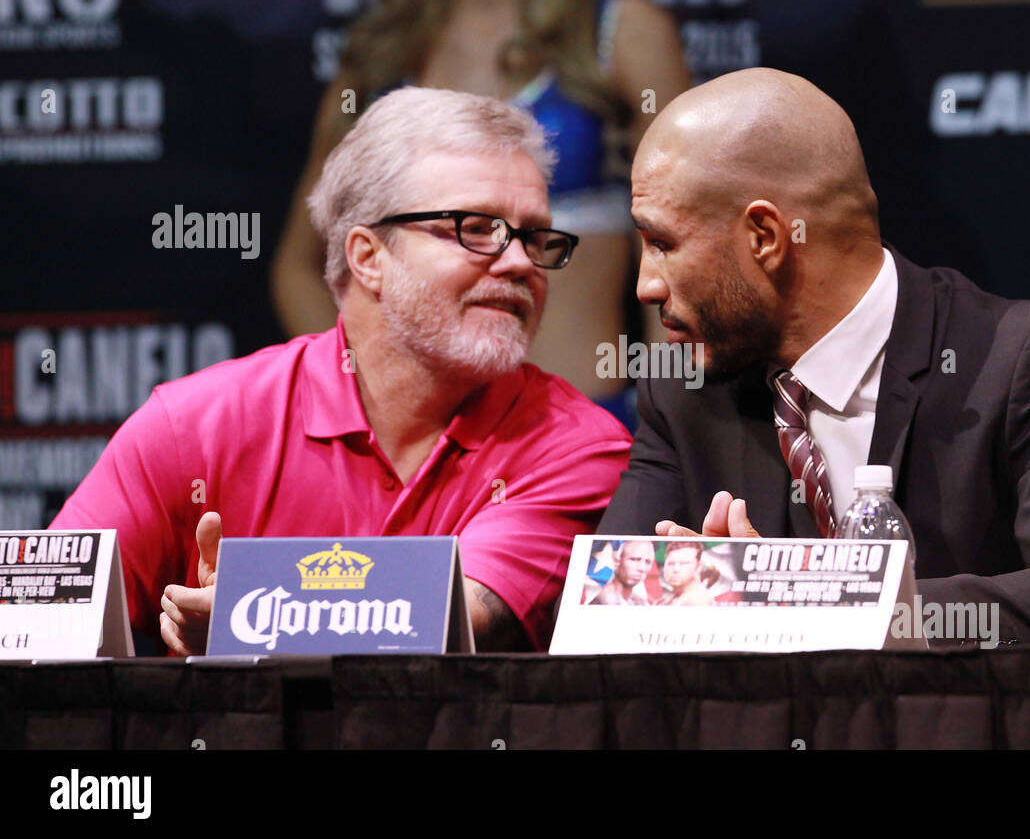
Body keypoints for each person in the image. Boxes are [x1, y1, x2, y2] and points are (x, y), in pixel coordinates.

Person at [51, 87, 632, 655]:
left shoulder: (577, 445)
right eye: (475, 229)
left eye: (535, 237)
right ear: (368, 256)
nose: (518, 262)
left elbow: (458, 621)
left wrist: (248, 621)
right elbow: (43, 618)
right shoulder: (193, 427)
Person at [597, 68, 1030, 644]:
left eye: (663, 244)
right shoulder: (686, 386)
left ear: (766, 237)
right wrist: (694, 593)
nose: (646, 284)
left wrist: (806, 598)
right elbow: (607, 610)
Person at [271, 0, 692, 428]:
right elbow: (299, 267)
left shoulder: (618, 32)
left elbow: (683, 245)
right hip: (423, 447)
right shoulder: (380, 63)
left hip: (585, 430)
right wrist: (363, 397)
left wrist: (661, 430)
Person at [587, 539, 654, 605]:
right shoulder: (603, 600)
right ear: (617, 561)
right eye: (634, 559)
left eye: (647, 562)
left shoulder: (638, 602)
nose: (641, 568)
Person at [658, 541, 712, 606]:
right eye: (671, 563)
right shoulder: (671, 599)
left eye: (684, 563)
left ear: (699, 567)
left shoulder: (696, 600)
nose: (675, 569)